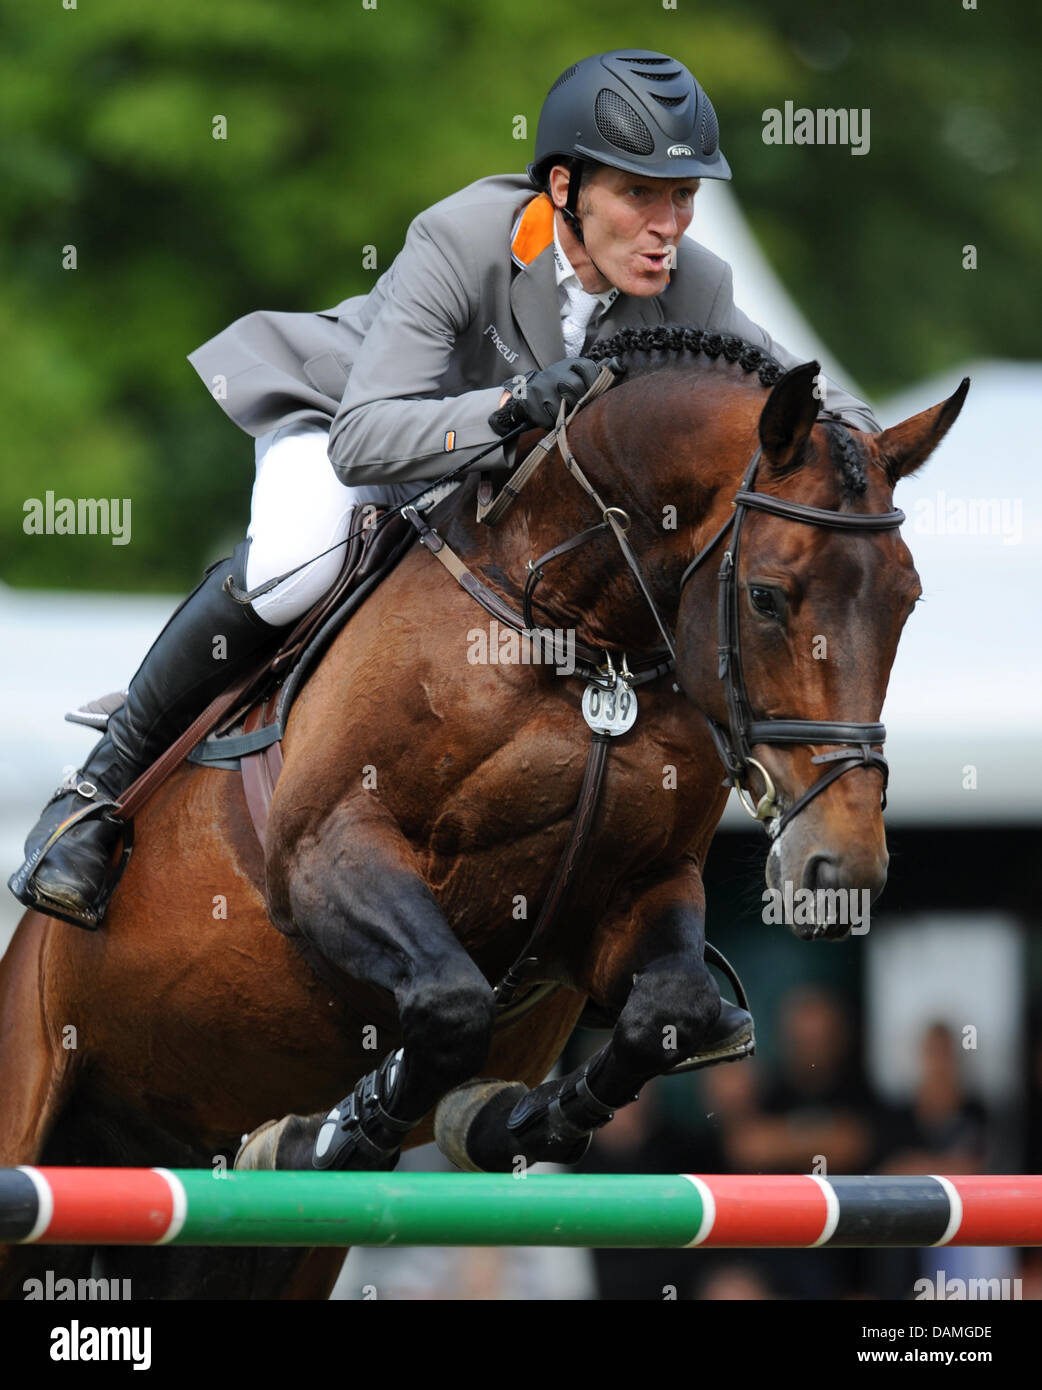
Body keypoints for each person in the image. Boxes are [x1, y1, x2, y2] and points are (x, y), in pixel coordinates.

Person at [9, 46, 879, 1040]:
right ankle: (93, 799)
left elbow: (807, 395)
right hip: (358, 424)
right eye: (641, 195)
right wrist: (510, 406)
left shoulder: (692, 282)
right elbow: (368, 435)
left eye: (680, 197)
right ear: (565, 186)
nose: (667, 226)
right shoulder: (464, 236)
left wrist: (863, 460)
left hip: (499, 501)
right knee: (298, 564)